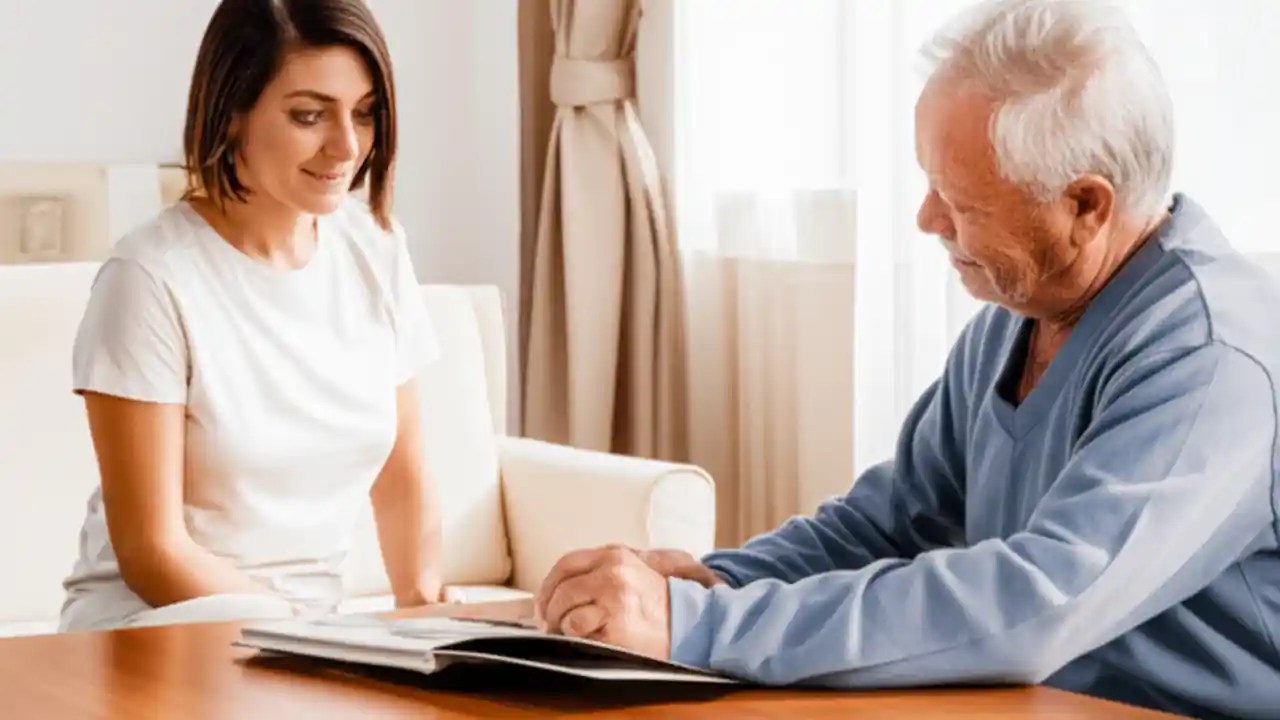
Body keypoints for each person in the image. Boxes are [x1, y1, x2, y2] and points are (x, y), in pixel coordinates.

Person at [532, 0, 1280, 716]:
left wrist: (699, 627)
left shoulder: (1211, 356)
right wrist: (714, 580)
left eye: (961, 203)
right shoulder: (1022, 312)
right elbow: (886, 525)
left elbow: (1039, 600)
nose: (927, 220)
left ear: (1085, 205)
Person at [59, 0, 451, 631]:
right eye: (308, 115)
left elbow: (403, 474)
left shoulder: (377, 247)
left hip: (309, 638)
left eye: (365, 113)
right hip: (160, 626)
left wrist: (425, 606)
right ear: (232, 111)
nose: (346, 146)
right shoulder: (149, 278)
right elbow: (152, 552)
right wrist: (303, 636)